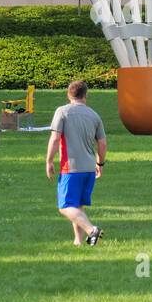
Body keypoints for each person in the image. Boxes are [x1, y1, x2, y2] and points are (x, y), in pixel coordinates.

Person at [45, 80, 107, 246]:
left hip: (70, 167)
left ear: (68, 94)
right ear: (85, 95)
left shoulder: (62, 112)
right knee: (77, 205)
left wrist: (49, 160)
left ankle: (91, 230)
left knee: (65, 206)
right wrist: (100, 164)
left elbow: (55, 138)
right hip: (89, 168)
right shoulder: (94, 115)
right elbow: (102, 143)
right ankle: (78, 241)